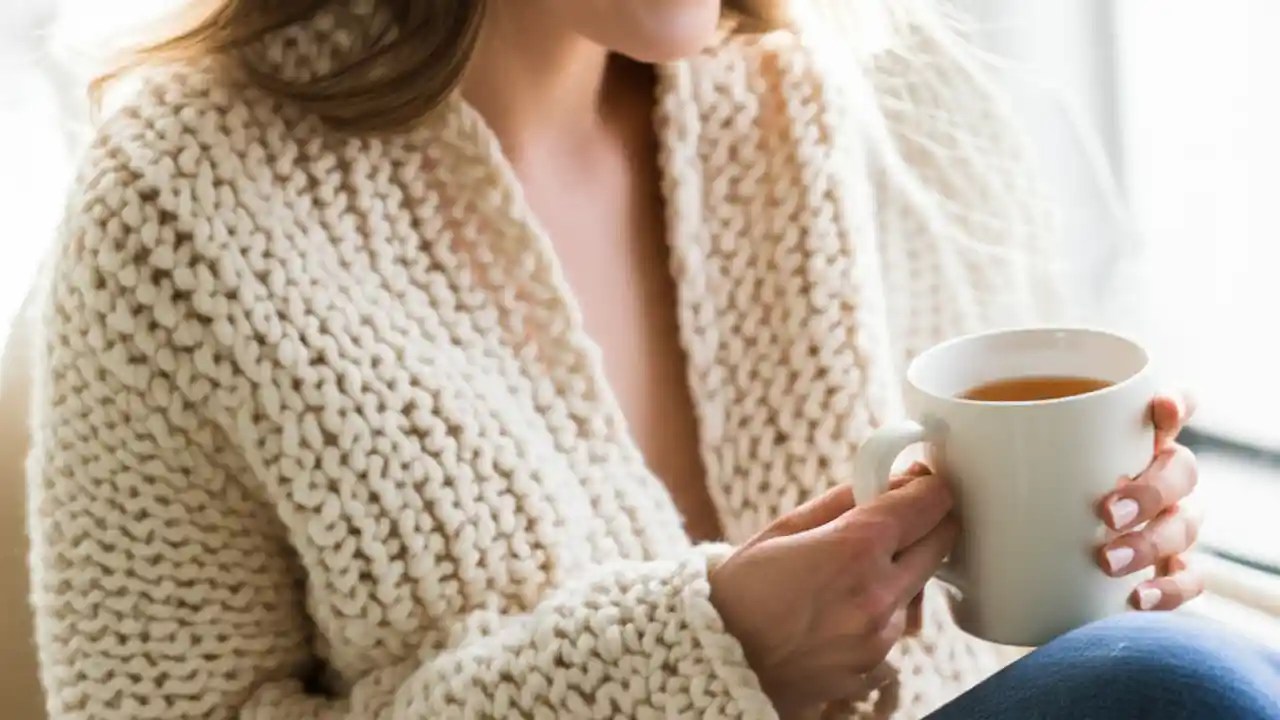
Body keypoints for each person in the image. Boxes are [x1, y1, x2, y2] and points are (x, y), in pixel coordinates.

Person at [26, 0, 1278, 718]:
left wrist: (1101, 553)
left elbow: (977, 624)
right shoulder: (184, 205)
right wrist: (690, 664)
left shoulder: (826, 109)